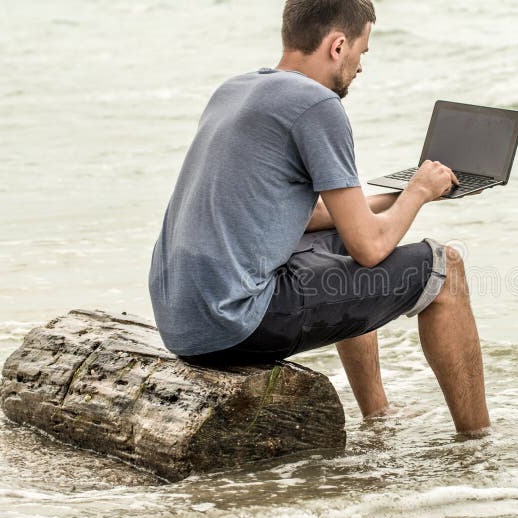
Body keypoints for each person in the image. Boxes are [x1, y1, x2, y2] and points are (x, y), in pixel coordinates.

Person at [148, 0, 490, 435]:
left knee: (340, 247)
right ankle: (479, 444)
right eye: (362, 52)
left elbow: (308, 217)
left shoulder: (235, 90)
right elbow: (370, 249)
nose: (361, 66)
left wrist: (402, 197)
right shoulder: (317, 105)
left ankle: (379, 417)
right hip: (236, 323)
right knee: (446, 269)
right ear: (338, 45)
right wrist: (420, 192)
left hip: (183, 319)